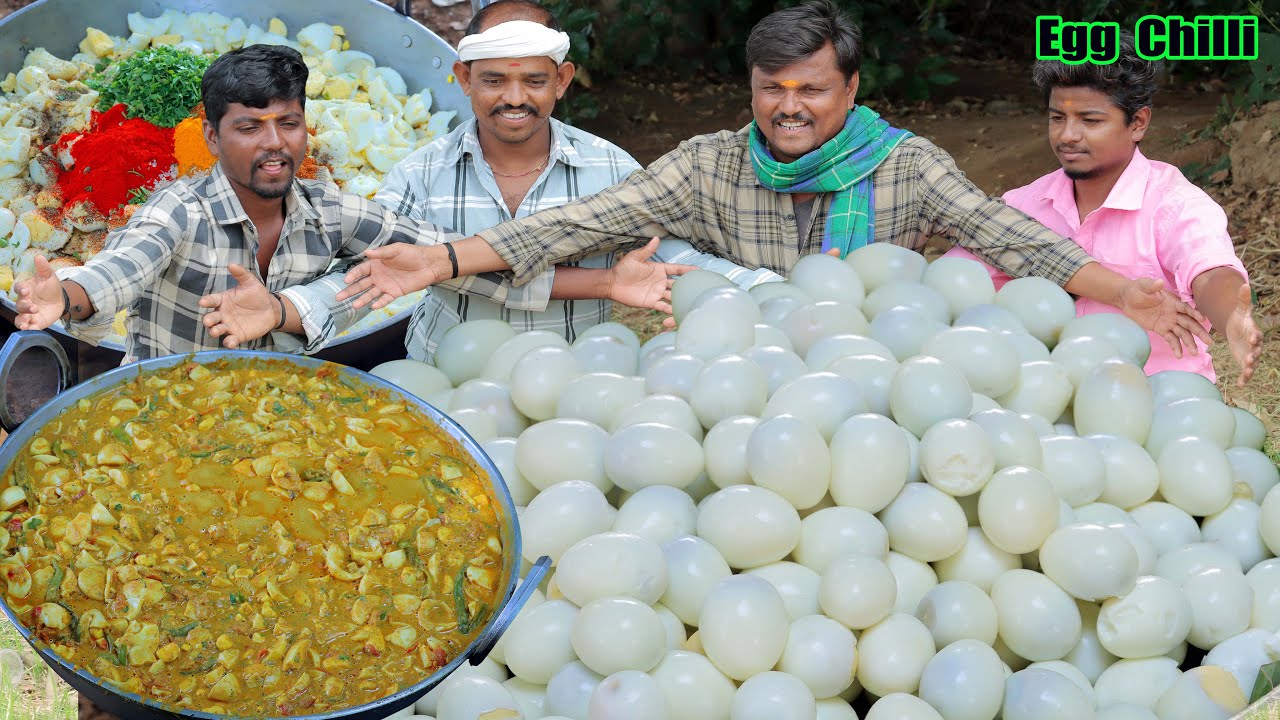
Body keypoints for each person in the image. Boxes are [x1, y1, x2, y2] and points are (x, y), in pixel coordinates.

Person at [337, 0, 1213, 359]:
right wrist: (444, 260)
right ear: (751, 89)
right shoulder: (710, 164)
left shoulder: (907, 166)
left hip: (878, 381)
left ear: (851, 90)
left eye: (812, 92)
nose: (789, 110)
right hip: (741, 387)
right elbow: (582, 221)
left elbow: (1006, 235)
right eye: (772, 91)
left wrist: (1129, 294)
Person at [12, 44, 684, 360]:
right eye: (249, 128)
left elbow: (460, 265)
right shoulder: (176, 209)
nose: (274, 146)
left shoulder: (333, 212)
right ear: (209, 138)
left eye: (289, 124)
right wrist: (66, 299)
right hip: (171, 411)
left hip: (284, 419)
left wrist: (604, 280)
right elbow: (122, 266)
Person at [236, 0, 776, 360]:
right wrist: (282, 310)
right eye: (494, 79)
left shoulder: (609, 168)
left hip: (574, 388)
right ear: (464, 78)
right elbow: (366, 277)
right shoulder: (421, 176)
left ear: (561, 81)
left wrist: (775, 291)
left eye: (534, 81)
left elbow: (682, 254)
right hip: (444, 386)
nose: (515, 98)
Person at [941, 33, 1262, 384]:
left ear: (1138, 123)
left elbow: (1210, 272)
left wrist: (1231, 317)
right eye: (1056, 118)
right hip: (1051, 406)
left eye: (1090, 121)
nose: (1067, 135)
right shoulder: (1023, 206)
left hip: (1160, 405)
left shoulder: (1173, 204)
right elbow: (954, 281)